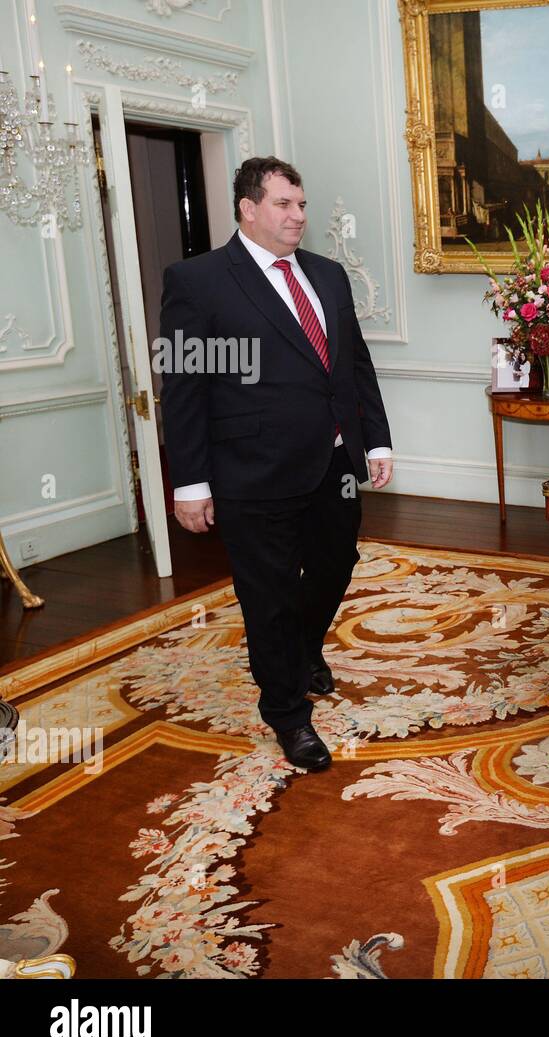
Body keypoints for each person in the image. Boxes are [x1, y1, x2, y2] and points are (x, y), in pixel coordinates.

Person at [160, 156, 394, 771]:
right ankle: (289, 715)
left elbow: (354, 365)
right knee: (265, 596)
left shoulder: (327, 275)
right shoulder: (198, 280)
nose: (298, 217)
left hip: (335, 463)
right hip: (250, 472)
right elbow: (184, 388)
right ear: (248, 208)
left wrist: (376, 441)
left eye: (302, 205)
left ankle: (301, 646)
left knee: (336, 563)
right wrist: (190, 482)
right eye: (284, 205)